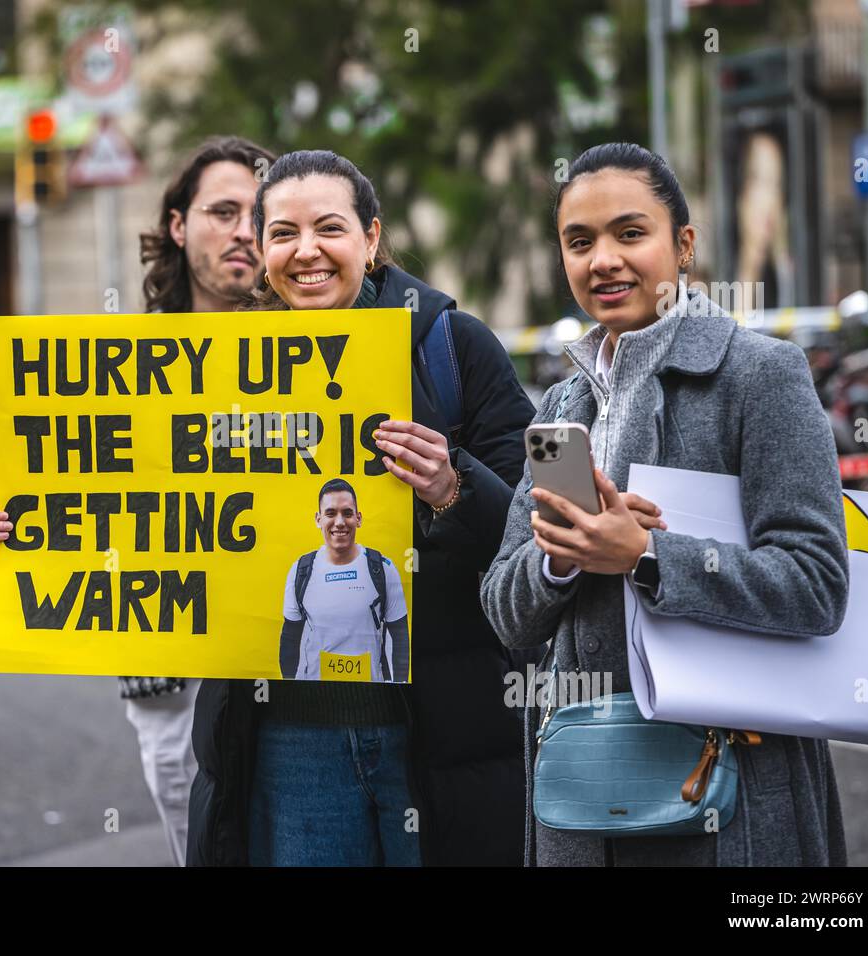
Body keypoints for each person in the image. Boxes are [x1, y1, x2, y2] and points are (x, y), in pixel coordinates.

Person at [479, 142, 850, 867]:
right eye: (579, 242)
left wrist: (647, 557)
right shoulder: (563, 403)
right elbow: (503, 610)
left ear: (683, 246)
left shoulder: (760, 376)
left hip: (730, 790)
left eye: (629, 233)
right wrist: (559, 559)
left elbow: (817, 585)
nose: (603, 261)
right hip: (585, 796)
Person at [187, 149, 537, 867]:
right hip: (288, 739)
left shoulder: (452, 346)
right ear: (261, 252)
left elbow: (534, 536)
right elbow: (146, 507)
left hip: (439, 732)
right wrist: (31, 534)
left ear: (371, 238)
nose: (306, 251)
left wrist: (453, 485)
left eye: (330, 228)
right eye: (283, 233)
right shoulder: (219, 365)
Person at [0, 136, 277, 866]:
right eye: (223, 211)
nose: (245, 231)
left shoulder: (325, 356)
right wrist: (15, 533)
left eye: (262, 214)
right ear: (177, 224)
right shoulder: (116, 373)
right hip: (169, 683)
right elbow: (74, 507)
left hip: (292, 678)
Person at [280, 479, 409, 683]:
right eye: (330, 513)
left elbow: (400, 636)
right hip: (314, 699)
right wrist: (287, 691)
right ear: (318, 519)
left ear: (358, 519)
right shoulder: (300, 570)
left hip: (370, 699)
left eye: (347, 513)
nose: (339, 522)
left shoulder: (383, 569)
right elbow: (290, 638)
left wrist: (398, 689)